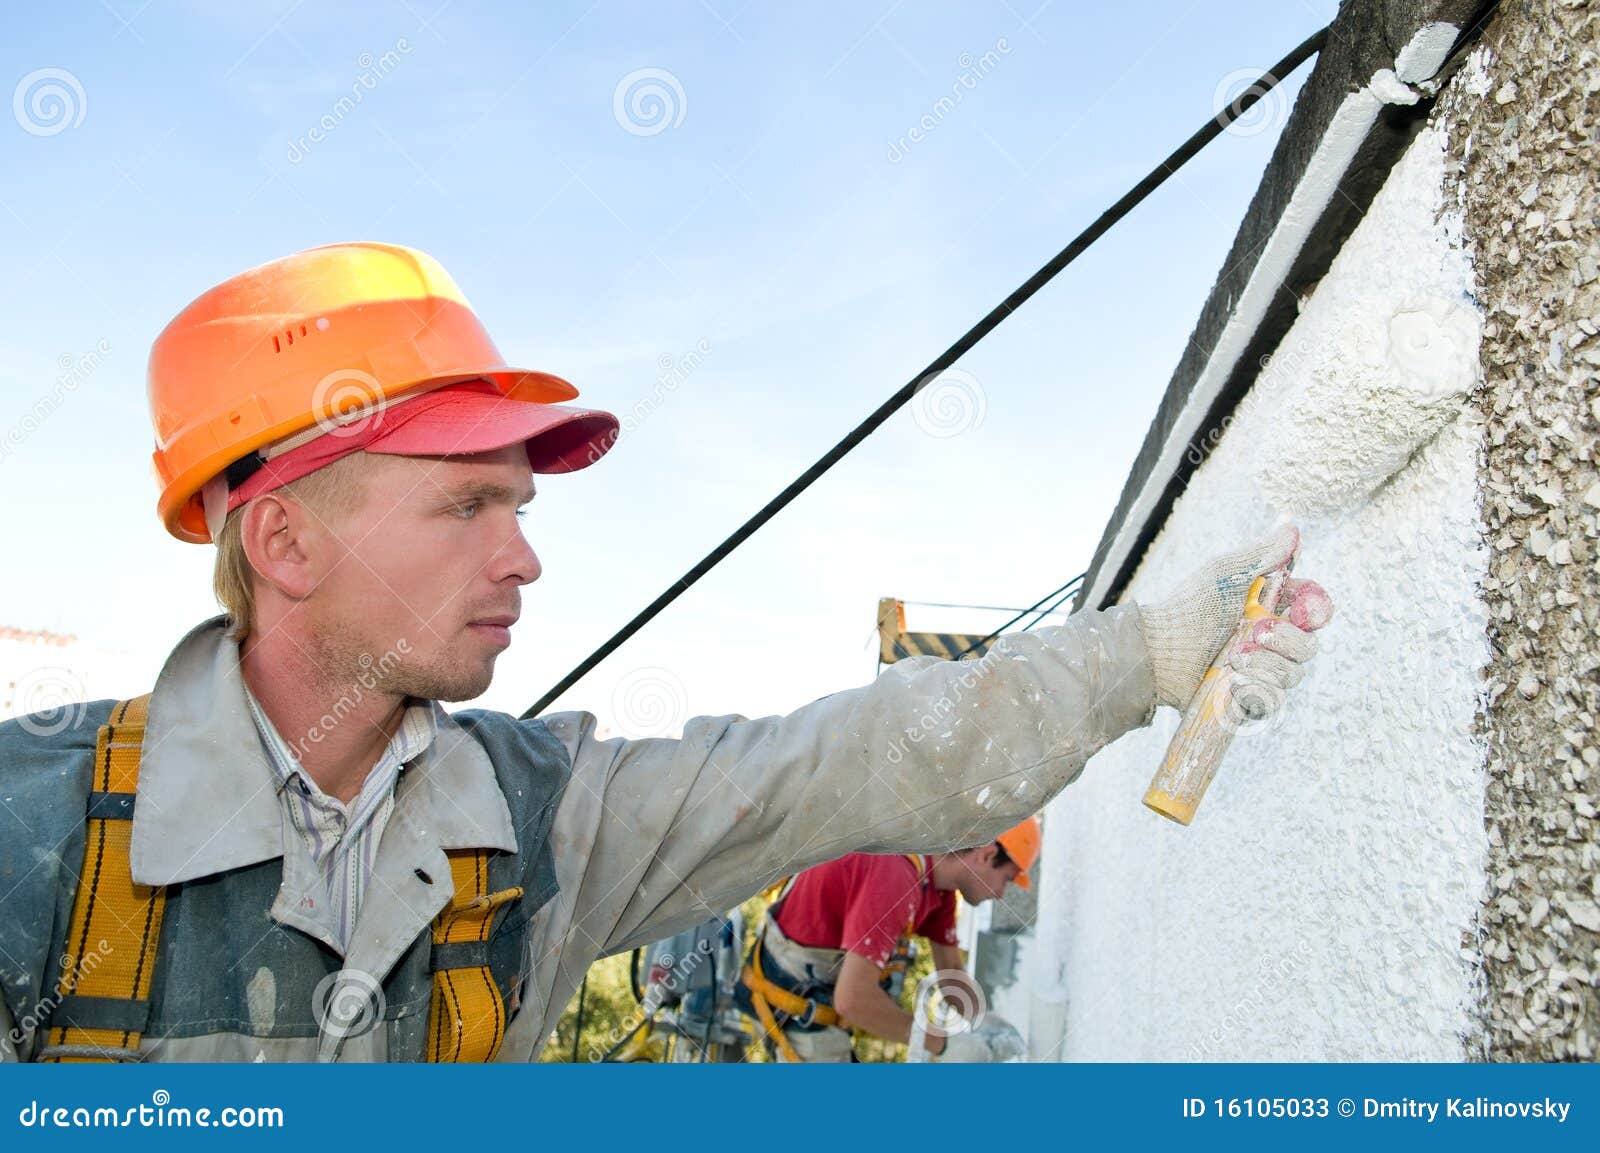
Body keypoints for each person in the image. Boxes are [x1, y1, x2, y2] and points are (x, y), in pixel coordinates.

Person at [0, 242, 1333, 1062]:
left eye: (520, 510)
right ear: (286, 540)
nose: (522, 558)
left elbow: (836, 764)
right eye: (465, 506)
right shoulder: (33, 837)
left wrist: (1150, 651)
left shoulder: (540, 816)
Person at [739, 817, 1042, 1062]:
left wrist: (984, 1022)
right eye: (1006, 879)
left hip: (822, 991)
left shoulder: (940, 885)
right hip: (792, 995)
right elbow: (852, 999)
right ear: (987, 855)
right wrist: (942, 1045)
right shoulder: (896, 875)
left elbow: (951, 972)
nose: (1000, 894)